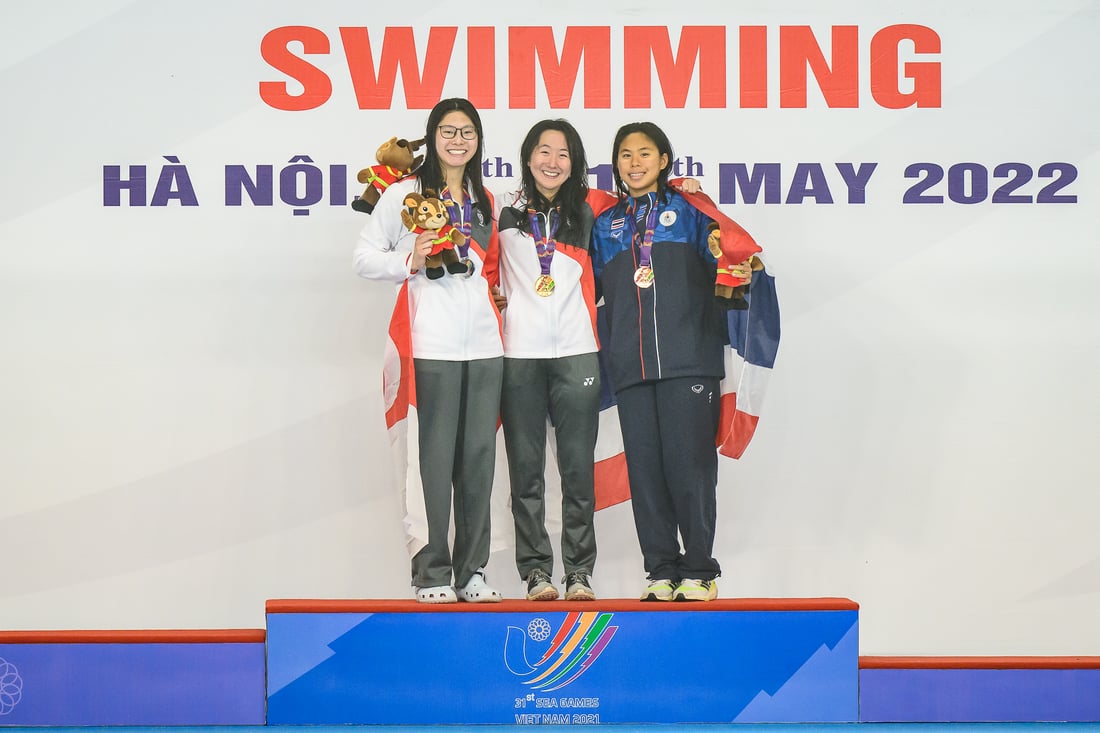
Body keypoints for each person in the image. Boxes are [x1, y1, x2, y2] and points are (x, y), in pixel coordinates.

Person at [589, 122, 756, 603]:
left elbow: (725, 265)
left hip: (689, 360)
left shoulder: (691, 210)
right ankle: (660, 570)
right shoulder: (607, 226)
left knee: (690, 468)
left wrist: (738, 268)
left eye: (645, 153)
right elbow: (588, 288)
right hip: (631, 366)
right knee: (646, 472)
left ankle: (700, 570)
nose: (634, 162)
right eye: (625, 154)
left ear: (665, 160)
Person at [353, 98, 504, 604]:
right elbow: (362, 258)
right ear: (432, 136)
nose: (457, 139)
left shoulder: (489, 200)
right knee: (432, 462)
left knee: (479, 462)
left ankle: (473, 572)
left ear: (479, 140)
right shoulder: (403, 194)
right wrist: (409, 259)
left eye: (467, 131)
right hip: (431, 345)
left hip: (485, 347)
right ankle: (432, 574)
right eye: (447, 130)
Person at [494, 119, 601, 602]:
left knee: (578, 471)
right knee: (526, 472)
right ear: (528, 155)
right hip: (520, 354)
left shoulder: (593, 208)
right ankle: (537, 571)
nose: (552, 162)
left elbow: (647, 202)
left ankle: (579, 572)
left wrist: (685, 188)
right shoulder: (502, 208)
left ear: (575, 163)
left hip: (578, 352)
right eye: (543, 150)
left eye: (563, 153)